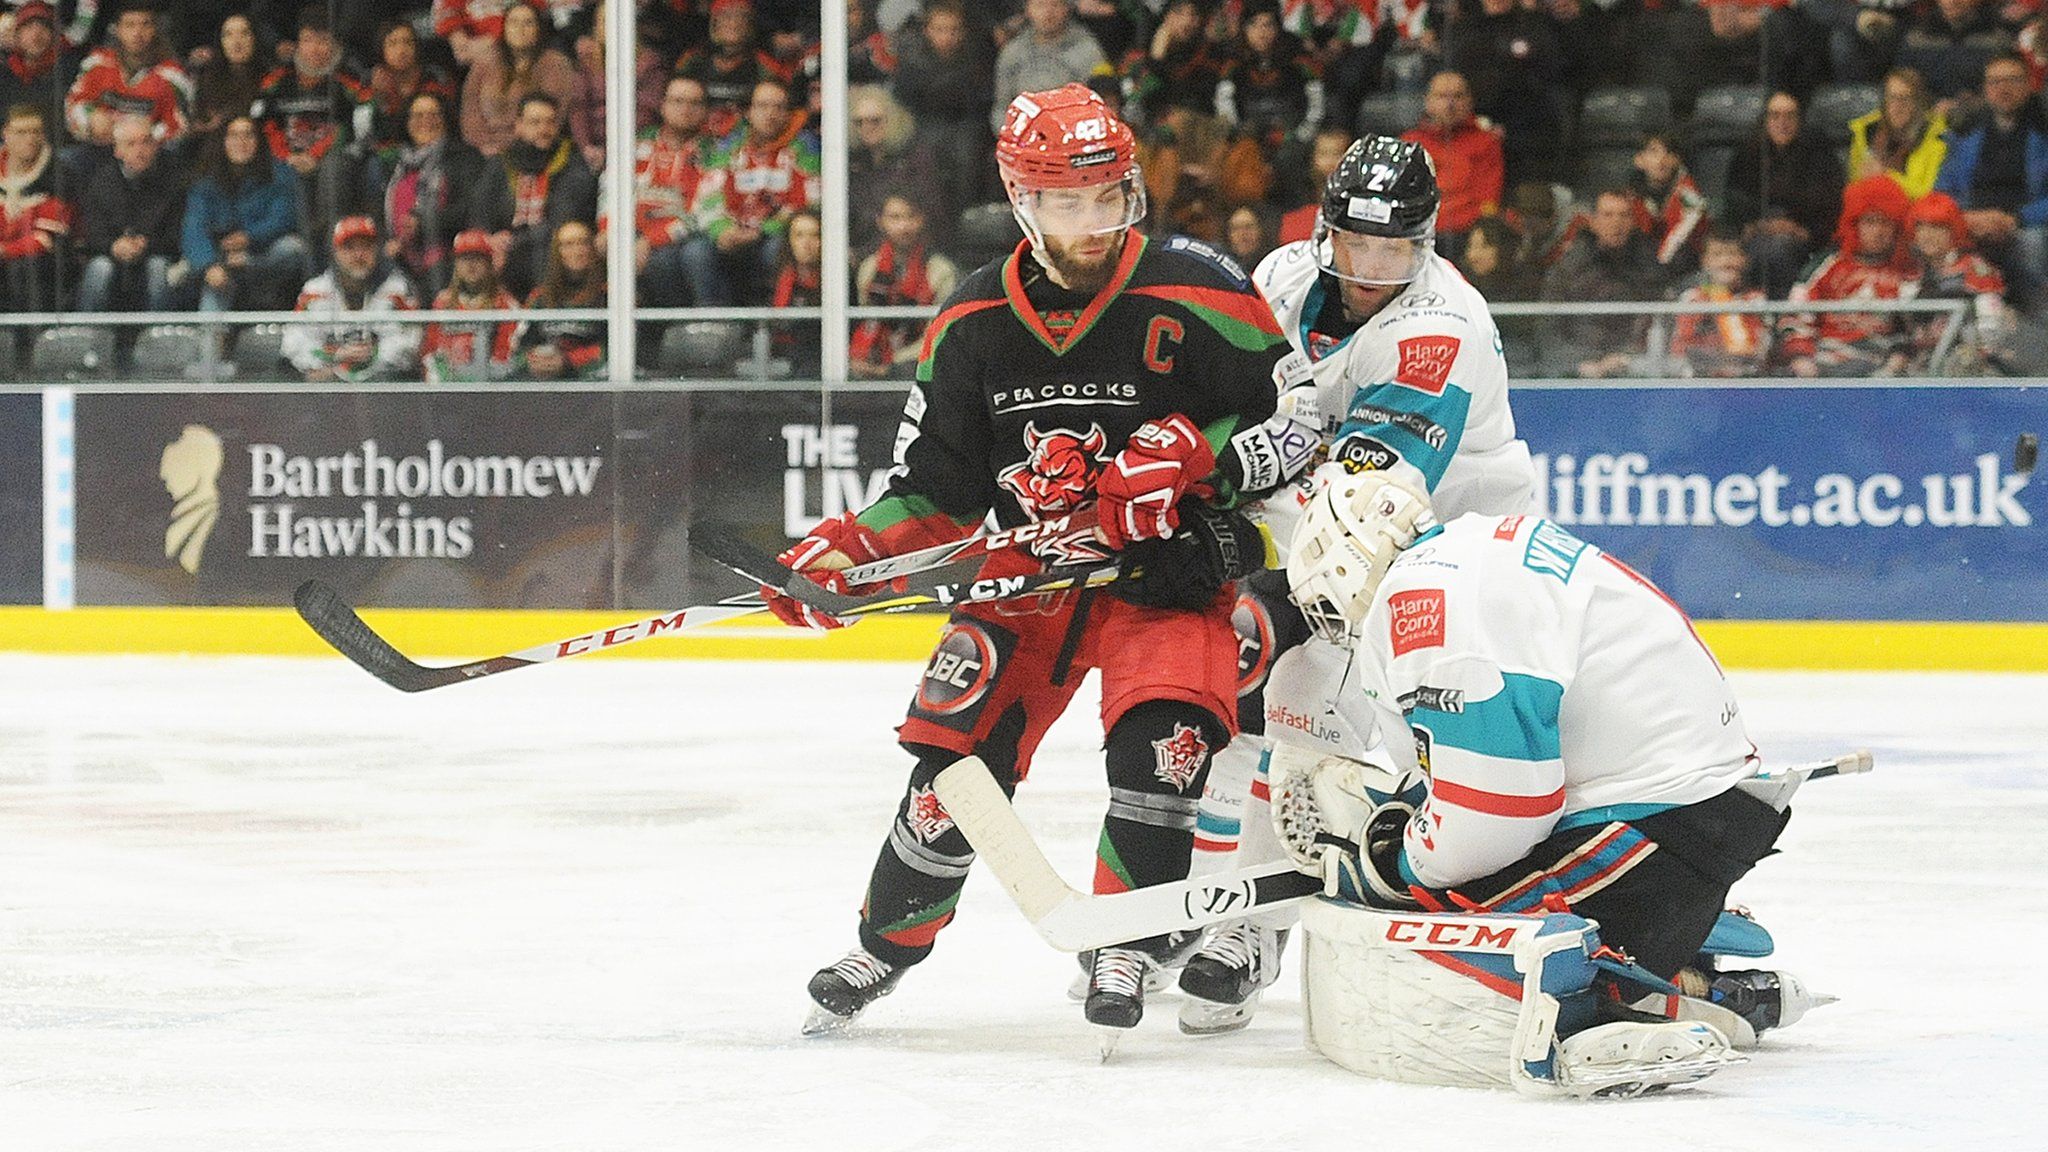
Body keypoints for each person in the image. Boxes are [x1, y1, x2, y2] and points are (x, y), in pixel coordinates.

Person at [782, 83, 1302, 1039]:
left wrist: (1197, 452)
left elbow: (1296, 420)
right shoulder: (971, 318)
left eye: (1109, 197)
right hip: (1027, 580)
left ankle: (1125, 943)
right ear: (1022, 200)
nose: (1093, 223)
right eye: (1068, 203)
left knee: (1162, 753)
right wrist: (851, 550)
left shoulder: (1200, 285)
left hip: (1165, 574)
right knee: (952, 764)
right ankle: (885, 945)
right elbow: (934, 488)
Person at [1260, 473, 1820, 1090]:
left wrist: (1392, 868)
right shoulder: (1472, 551)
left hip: (1650, 833)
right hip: (1687, 818)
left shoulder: (1420, 599)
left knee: (1405, 934)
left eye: (1328, 608)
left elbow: (1492, 818)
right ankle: (1684, 960)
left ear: (1346, 566)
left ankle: (1609, 1002)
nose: (1339, 627)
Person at [1175, 135, 1538, 1036]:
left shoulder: (1439, 328)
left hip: (1447, 545)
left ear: (1426, 244)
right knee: (1234, 670)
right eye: (1357, 244)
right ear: (1326, 230)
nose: (1372, 269)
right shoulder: (1282, 276)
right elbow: (1238, 403)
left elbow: (1361, 509)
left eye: (1395, 250)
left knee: (1316, 701)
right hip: (1326, 522)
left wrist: (1232, 500)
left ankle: (1258, 928)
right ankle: (1204, 903)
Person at [254, 7, 370, 272]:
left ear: (336, 45)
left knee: (333, 172)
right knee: (285, 177)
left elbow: (354, 128)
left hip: (331, 161)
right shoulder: (277, 79)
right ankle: (310, 273)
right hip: (285, 160)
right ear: (297, 43)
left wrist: (315, 155)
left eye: (322, 40)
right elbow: (263, 123)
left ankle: (332, 266)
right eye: (308, 40)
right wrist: (287, 155)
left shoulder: (350, 80)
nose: (315, 48)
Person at [686, 77, 818, 305]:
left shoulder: (805, 148)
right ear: (748, 111)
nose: (771, 114)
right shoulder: (728, 147)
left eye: (779, 107)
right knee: (695, 251)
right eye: (763, 106)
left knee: (777, 248)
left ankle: (773, 319)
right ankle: (714, 322)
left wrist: (762, 230)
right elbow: (708, 197)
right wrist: (722, 230)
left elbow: (809, 204)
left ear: (788, 113)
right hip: (731, 234)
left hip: (773, 235)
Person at [1779, 174, 1922, 378]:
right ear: (1855, 223)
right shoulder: (1828, 264)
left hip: (1881, 363)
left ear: (1897, 227)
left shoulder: (1907, 270)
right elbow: (1796, 317)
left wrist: (1894, 365)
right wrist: (1801, 358)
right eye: (1870, 222)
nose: (1878, 231)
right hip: (1825, 359)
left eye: (1885, 223)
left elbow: (1911, 331)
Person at [1930, 51, 2048, 295]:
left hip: (2023, 225)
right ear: (1985, 89)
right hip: (1970, 221)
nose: (2004, 88)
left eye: (2013, 80)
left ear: (2029, 86)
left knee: (2034, 242)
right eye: (1995, 81)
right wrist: (1965, 218)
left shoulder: (2042, 133)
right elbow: (1941, 191)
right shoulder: (1965, 133)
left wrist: (2015, 219)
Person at [469, 92, 597, 301]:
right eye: (535, 122)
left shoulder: (571, 161)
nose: (543, 129)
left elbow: (565, 215)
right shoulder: (501, 163)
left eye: (550, 122)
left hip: (547, 247)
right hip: (505, 248)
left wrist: (516, 240)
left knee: (542, 245)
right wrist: (490, 239)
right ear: (519, 126)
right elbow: (480, 210)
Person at [1724, 91, 1846, 298]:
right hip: (1756, 236)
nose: (1782, 123)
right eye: (1775, 116)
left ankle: (1783, 309)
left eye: (1790, 116)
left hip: (1807, 240)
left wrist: (1801, 230)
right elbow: (1734, 207)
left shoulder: (1819, 156)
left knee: (1778, 250)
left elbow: (1830, 208)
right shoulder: (1746, 156)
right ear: (1765, 120)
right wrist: (1761, 225)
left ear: (1800, 121)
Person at [181, 113, 306, 312]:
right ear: (223, 141)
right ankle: (212, 332)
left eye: (248, 135)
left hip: (262, 253)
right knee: (214, 275)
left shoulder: (279, 174)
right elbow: (194, 228)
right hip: (221, 255)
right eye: (234, 135)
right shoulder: (206, 181)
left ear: (259, 141)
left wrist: (249, 237)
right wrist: (209, 265)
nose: (241, 142)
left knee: (292, 248)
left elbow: (283, 218)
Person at [1540, 188, 1670, 378]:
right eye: (1608, 215)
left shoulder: (1650, 268)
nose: (1616, 223)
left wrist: (1626, 358)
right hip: (1576, 371)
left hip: (1632, 369)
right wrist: (1580, 364)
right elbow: (1547, 330)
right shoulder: (1567, 268)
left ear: (1633, 222)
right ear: (1593, 221)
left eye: (1624, 215)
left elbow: (1656, 324)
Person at [283, 214, 420, 383]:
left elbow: (408, 344)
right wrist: (335, 355)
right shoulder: (315, 291)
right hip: (328, 388)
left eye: (366, 247)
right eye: (349, 248)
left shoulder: (396, 289)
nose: (358, 255)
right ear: (335, 252)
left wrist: (368, 358)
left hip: (383, 386)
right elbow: (294, 344)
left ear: (377, 251)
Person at [75, 110, 181, 313]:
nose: (140, 150)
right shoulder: (100, 182)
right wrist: (114, 246)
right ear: (117, 150)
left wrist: (146, 244)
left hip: (156, 253)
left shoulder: (173, 181)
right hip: (109, 254)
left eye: (146, 142)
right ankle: (88, 329)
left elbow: (177, 234)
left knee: (158, 268)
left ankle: (158, 331)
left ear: (156, 145)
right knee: (100, 269)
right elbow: (91, 233)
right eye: (131, 144)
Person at [383, 93, 486, 300]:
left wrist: (423, 223)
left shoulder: (465, 158)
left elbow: (470, 210)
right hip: (398, 261)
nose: (426, 121)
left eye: (434, 115)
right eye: (418, 116)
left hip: (447, 261)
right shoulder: (394, 164)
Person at [849, 193, 957, 379]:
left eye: (911, 216)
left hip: (922, 368)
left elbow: (940, 334)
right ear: (880, 221)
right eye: (895, 217)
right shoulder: (869, 268)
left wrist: (893, 366)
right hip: (871, 364)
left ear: (922, 220)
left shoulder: (941, 270)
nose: (903, 226)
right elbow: (866, 323)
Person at [1401, 71, 1504, 260]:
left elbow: (1489, 198)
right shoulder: (1411, 142)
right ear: (1428, 101)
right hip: (1419, 235)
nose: (1450, 104)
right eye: (1442, 96)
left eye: (1458, 96)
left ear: (1470, 101)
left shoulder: (1486, 142)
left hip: (1467, 237)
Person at [633, 74, 714, 312]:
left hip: (685, 236)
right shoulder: (637, 144)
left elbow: (703, 212)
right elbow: (611, 189)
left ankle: (693, 326)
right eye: (678, 101)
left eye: (694, 103)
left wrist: (652, 240)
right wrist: (608, 229)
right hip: (635, 232)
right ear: (663, 106)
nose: (686, 109)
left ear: (705, 110)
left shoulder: (714, 152)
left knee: (672, 259)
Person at [1905, 191, 2011, 372]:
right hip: (1920, 362)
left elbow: (1991, 328)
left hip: (1969, 364)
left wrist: (1973, 354)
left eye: (1936, 227)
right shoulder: (1911, 273)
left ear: (1953, 230)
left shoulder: (1975, 269)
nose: (1927, 235)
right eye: (1921, 227)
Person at [63, 0, 190, 152]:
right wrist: (90, 118)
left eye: (145, 25)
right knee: (65, 158)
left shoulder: (173, 76)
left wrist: (143, 136)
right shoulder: (97, 62)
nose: (137, 33)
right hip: (99, 148)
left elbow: (180, 126)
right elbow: (73, 104)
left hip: (149, 154)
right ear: (117, 30)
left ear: (155, 29)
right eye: (130, 25)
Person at [460, 0, 577, 159]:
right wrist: (485, 144)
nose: (520, 29)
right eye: (513, 22)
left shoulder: (556, 64)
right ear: (504, 28)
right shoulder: (484, 64)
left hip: (535, 150)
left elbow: (553, 116)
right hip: (485, 152)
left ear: (539, 29)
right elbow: (470, 112)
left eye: (528, 23)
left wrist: (508, 146)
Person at [0, 101, 68, 361]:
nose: (29, 139)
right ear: (6, 134)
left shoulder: (58, 175)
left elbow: (45, 239)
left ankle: (28, 355)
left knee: (24, 269)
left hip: (45, 262)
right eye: (21, 132)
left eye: (36, 132)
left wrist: (5, 249)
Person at [988, 0, 1105, 134]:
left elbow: (1100, 105)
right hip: (1023, 133)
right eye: (1040, 5)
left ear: (1066, 8)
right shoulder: (1012, 52)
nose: (1048, 12)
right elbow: (1001, 107)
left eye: (1055, 4)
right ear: (1027, 10)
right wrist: (1011, 135)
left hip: (1073, 132)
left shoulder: (1088, 50)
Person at [423, 227, 520, 383]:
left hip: (490, 387)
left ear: (489, 263)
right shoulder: (443, 303)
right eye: (465, 258)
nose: (471, 264)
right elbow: (430, 350)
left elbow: (507, 356)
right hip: (446, 387)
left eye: (478, 258)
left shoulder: (505, 305)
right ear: (456, 264)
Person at [1670, 230, 1770, 378]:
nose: (1726, 262)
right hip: (1701, 378)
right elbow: (1681, 347)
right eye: (1717, 255)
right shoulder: (1693, 299)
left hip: (1748, 378)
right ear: (1705, 261)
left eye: (1732, 254)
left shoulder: (1756, 300)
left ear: (1744, 259)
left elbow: (1763, 347)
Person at [516, 217, 604, 380]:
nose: (577, 251)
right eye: (568, 244)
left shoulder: (608, 296)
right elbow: (519, 347)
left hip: (590, 382)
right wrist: (534, 361)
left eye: (583, 243)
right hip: (542, 381)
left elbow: (615, 350)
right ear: (556, 251)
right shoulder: (540, 297)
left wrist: (568, 361)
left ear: (592, 248)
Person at [1848, 66, 1949, 198]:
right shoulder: (1866, 130)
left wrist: (1886, 177)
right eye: (1892, 97)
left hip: (1913, 208)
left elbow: (1930, 195)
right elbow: (1854, 185)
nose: (1897, 106)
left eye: (1905, 98)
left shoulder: (1937, 137)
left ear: (1918, 102)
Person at [1628, 130, 1710, 274]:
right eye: (1653, 152)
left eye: (1669, 153)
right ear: (1639, 160)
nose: (1661, 159)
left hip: (1683, 265)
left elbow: (1678, 241)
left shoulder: (1690, 196)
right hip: (1646, 263)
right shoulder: (1630, 194)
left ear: (1677, 160)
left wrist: (1656, 268)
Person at [0, 3, 79, 138]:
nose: (36, 35)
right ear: (16, 35)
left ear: (54, 35)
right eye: (28, 27)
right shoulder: (4, 74)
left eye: (44, 27)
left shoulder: (70, 70)